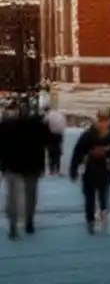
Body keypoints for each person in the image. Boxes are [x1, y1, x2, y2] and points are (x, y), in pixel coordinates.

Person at [70, 110, 110, 234]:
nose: (103, 123)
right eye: (101, 120)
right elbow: (78, 152)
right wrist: (74, 169)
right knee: (89, 195)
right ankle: (90, 219)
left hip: (104, 170)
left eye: (105, 120)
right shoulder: (89, 135)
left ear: (109, 121)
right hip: (90, 170)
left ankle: (103, 210)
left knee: (103, 193)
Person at [0, 100, 49, 238]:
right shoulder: (38, 126)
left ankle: (13, 225)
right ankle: (29, 221)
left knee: (12, 196)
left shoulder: (5, 126)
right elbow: (47, 142)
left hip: (11, 165)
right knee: (30, 195)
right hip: (32, 166)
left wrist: (3, 165)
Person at [44, 107, 66, 176]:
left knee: (51, 153)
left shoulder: (48, 116)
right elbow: (62, 127)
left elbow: (45, 125)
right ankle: (58, 170)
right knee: (57, 154)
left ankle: (51, 170)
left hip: (50, 137)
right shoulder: (59, 116)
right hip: (58, 136)